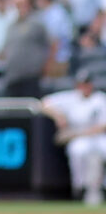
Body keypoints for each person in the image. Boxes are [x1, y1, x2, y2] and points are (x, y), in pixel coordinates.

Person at [43, 75, 106, 206]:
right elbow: (43, 103)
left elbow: (103, 126)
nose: (85, 87)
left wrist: (75, 133)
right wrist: (59, 116)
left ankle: (101, 188)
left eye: (87, 84)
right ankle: (80, 188)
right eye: (82, 84)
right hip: (79, 139)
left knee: (103, 149)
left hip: (96, 136)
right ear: (77, 85)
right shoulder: (70, 98)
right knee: (77, 151)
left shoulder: (100, 99)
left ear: (91, 85)